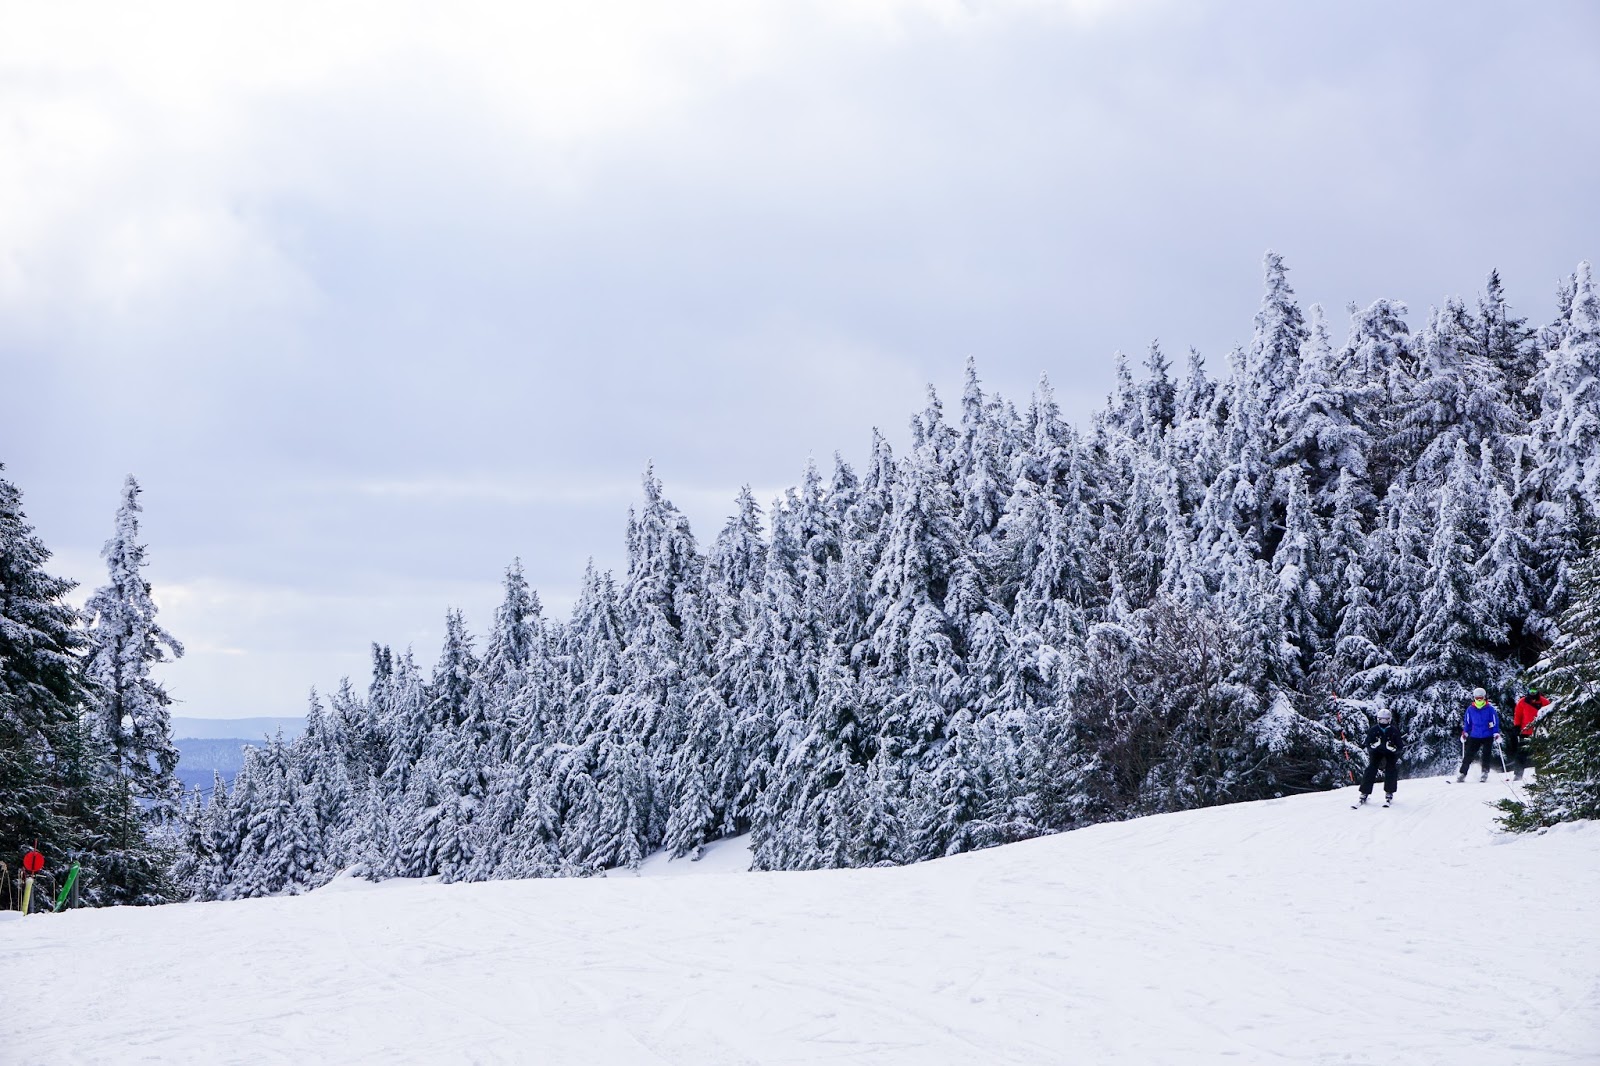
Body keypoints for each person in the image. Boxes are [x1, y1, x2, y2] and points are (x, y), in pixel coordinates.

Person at [1356, 707, 1402, 806]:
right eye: (1381, 719)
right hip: (1377, 752)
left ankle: (1389, 791)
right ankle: (1364, 792)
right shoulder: (1374, 730)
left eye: (1386, 719)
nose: (1383, 722)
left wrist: (1393, 749)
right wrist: (1373, 746)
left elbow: (1400, 745)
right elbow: (1367, 743)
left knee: (1391, 769)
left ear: (1389, 720)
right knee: (1371, 769)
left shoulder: (1393, 730)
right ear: (1378, 719)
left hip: (1390, 753)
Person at [1456, 687, 1501, 783]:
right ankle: (1462, 773)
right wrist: (1465, 733)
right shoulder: (1470, 709)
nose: (1479, 700)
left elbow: (1495, 722)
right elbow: (1468, 723)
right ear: (1474, 698)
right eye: (1477, 698)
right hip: (1475, 735)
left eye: (1481, 698)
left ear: (1484, 698)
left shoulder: (1490, 709)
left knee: (1486, 754)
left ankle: (1484, 772)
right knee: (1469, 755)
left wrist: (1496, 733)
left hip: (1487, 736)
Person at [1508, 685, 1550, 781]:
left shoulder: (1545, 702)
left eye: (1534, 690)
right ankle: (1518, 774)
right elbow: (1517, 715)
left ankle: (1541, 774)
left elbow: (1548, 716)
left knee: (1540, 753)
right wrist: (1516, 726)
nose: (1532, 692)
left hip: (1540, 732)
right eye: (1531, 690)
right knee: (1521, 753)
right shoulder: (1522, 701)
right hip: (1525, 731)